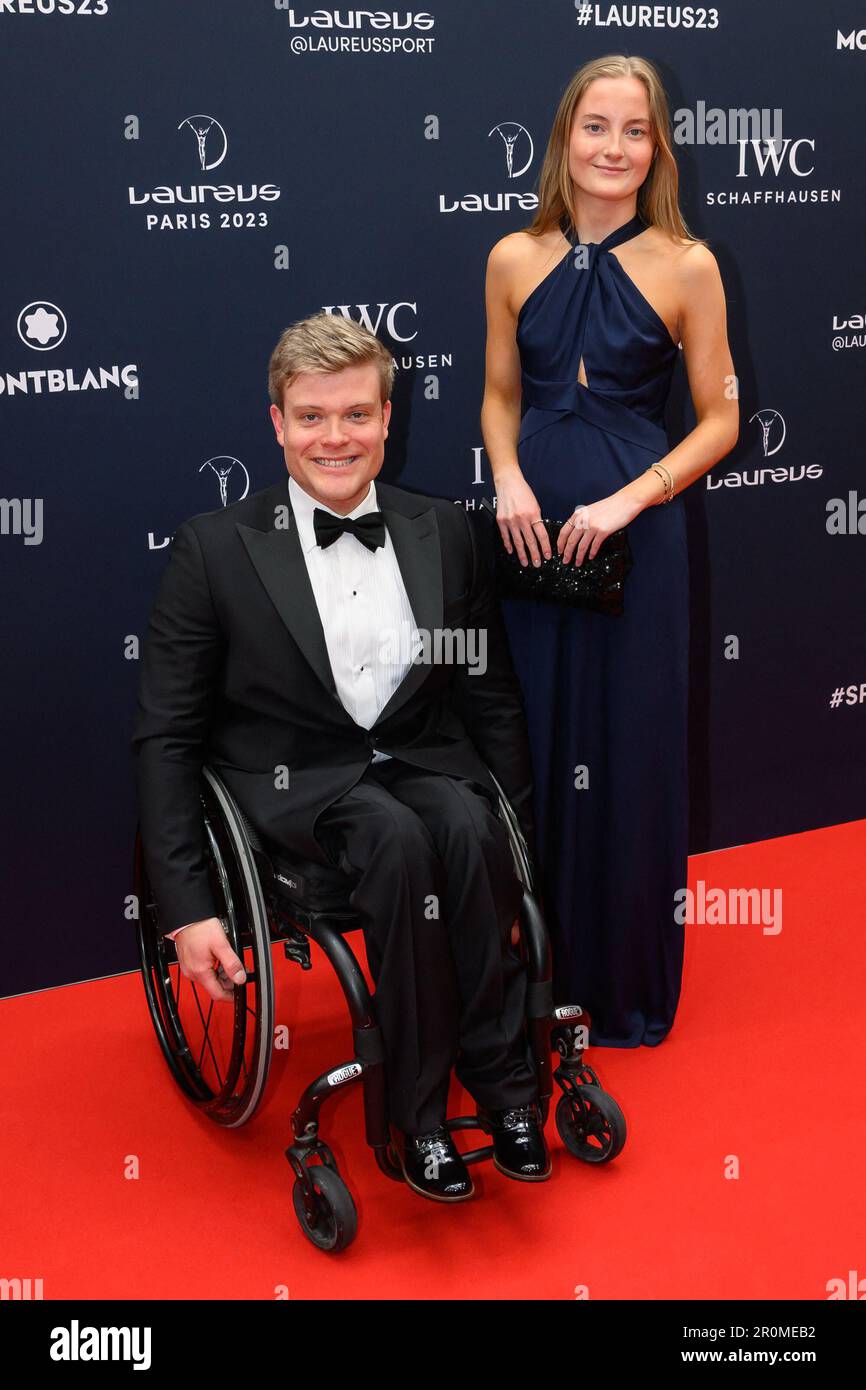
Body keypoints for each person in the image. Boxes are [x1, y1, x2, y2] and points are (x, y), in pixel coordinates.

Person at [131, 311, 552, 1202]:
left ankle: (511, 1095)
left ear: (389, 419)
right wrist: (187, 908)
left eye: (356, 415)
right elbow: (166, 737)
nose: (336, 438)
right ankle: (419, 1118)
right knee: (396, 841)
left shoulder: (444, 530)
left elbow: (488, 698)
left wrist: (525, 846)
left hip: (421, 759)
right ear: (277, 422)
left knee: (470, 826)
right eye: (312, 417)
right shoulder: (211, 552)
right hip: (297, 787)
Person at [480, 54, 738, 1046]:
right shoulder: (510, 256)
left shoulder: (688, 265)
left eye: (634, 131)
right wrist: (505, 474)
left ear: (656, 149)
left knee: (628, 748)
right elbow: (500, 393)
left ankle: (624, 986)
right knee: (532, 743)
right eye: (596, 126)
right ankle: (531, 972)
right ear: (564, 137)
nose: (613, 148)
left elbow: (719, 419)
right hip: (528, 528)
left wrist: (628, 499)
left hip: (637, 529)